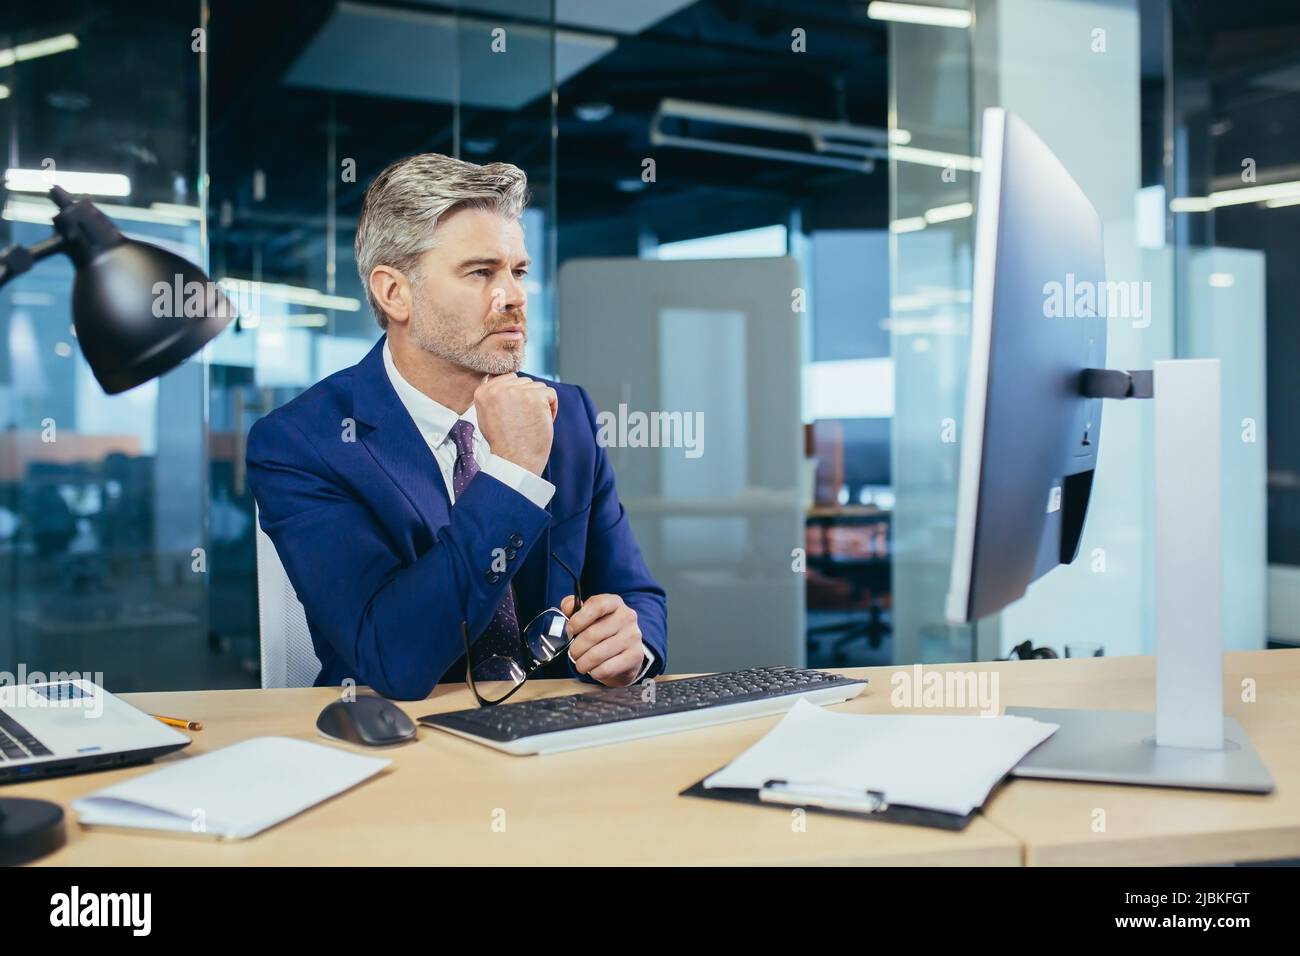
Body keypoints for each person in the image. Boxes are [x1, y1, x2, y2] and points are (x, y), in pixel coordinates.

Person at [247, 153, 666, 700]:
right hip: (400, 746)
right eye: (480, 272)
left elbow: (634, 593)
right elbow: (392, 659)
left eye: (518, 271)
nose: (514, 296)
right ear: (394, 293)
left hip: (555, 737)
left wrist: (631, 647)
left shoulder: (568, 412)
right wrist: (513, 472)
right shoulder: (304, 443)